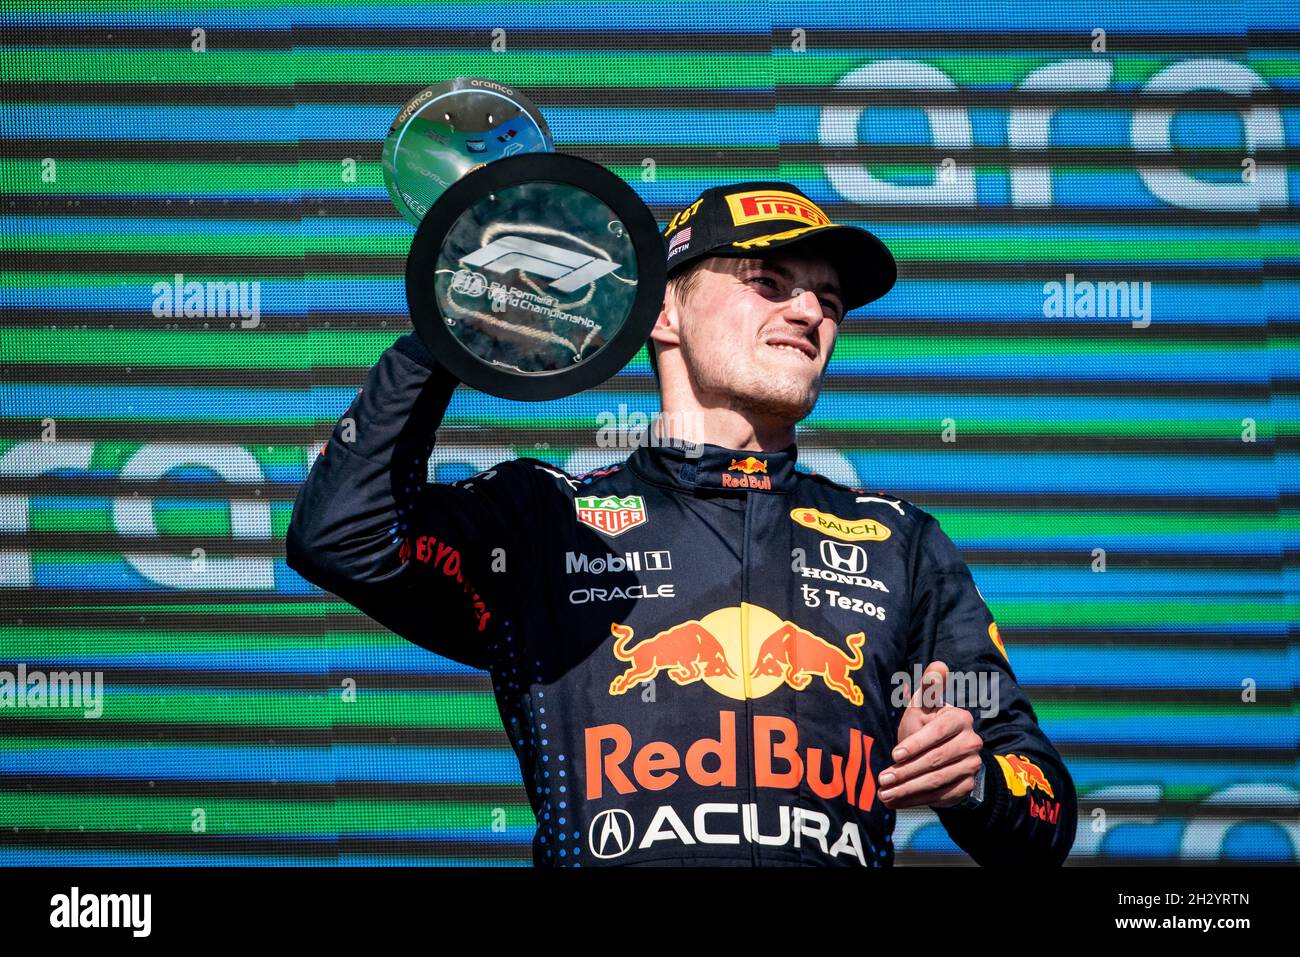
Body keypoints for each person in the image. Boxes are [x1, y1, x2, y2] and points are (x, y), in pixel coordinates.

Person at [286, 181, 1077, 867]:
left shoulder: (901, 545)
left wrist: (975, 782)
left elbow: (1044, 820)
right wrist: (446, 328)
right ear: (663, 310)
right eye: (768, 281)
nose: (809, 311)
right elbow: (342, 535)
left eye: (829, 301)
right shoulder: (546, 521)